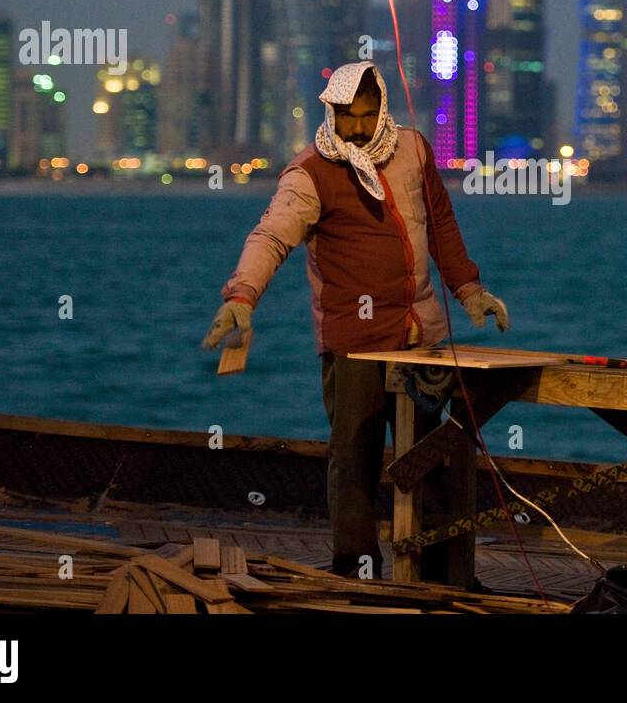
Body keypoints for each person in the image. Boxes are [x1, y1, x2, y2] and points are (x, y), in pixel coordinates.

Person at [201, 61, 509, 582]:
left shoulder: (412, 150)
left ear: (382, 108)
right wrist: (243, 295)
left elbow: (441, 224)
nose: (358, 129)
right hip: (355, 342)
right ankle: (355, 566)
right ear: (331, 113)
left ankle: (440, 570)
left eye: (367, 115)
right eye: (347, 117)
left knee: (432, 459)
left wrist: (469, 290)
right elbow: (272, 235)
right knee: (355, 458)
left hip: (420, 336)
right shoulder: (310, 172)